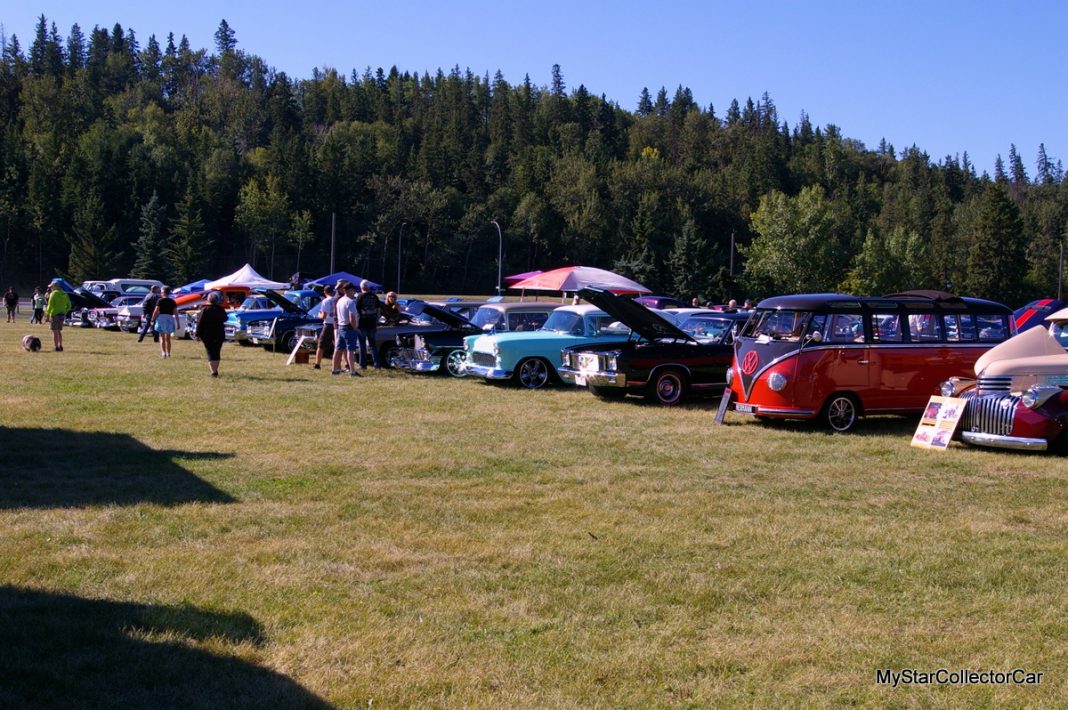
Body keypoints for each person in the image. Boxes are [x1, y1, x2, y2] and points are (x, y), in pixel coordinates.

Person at [195, 290, 227, 377]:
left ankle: (213, 371)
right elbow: (225, 319)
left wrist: (197, 334)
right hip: (219, 333)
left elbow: (200, 323)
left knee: (210, 351)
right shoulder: (221, 309)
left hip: (207, 334)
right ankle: (215, 370)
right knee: (217, 351)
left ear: (208, 300)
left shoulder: (205, 309)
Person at [333, 282, 361, 377]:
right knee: (350, 350)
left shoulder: (340, 300)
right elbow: (351, 318)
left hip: (340, 327)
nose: (354, 293)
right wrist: (355, 328)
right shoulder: (351, 302)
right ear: (350, 290)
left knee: (338, 349)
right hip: (349, 328)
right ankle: (352, 371)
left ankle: (335, 369)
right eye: (353, 291)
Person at [355, 280, 381, 370]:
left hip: (362, 323)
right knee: (373, 345)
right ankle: (377, 364)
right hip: (372, 323)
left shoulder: (359, 296)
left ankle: (363, 365)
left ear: (362, 287)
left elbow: (355, 310)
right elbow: (378, 311)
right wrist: (376, 321)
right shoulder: (375, 296)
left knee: (362, 345)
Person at [313, 284, 337, 370]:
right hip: (336, 325)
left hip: (328, 324)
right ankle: (341, 365)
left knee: (321, 345)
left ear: (325, 292)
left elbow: (324, 316)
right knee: (338, 346)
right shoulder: (336, 299)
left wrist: (319, 314)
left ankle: (317, 364)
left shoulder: (326, 301)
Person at [152, 286, 178, 358]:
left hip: (161, 318)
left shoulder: (160, 300)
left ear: (163, 292)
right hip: (170, 318)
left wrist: (152, 319)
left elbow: (156, 311)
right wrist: (178, 322)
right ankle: (168, 353)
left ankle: (163, 353)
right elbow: (176, 312)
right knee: (168, 337)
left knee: (162, 337)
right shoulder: (172, 301)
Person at [44, 280, 71, 351]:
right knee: (59, 331)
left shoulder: (53, 294)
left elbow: (50, 306)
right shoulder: (65, 294)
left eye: (51, 287)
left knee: (55, 331)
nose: (50, 288)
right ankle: (61, 345)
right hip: (62, 315)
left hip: (54, 314)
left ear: (55, 287)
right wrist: (64, 311)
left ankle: (56, 347)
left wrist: (47, 315)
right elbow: (69, 305)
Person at [330, 279, 350, 374]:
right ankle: (337, 367)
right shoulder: (339, 298)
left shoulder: (338, 297)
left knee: (341, 347)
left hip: (338, 324)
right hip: (339, 325)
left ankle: (341, 366)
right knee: (339, 348)